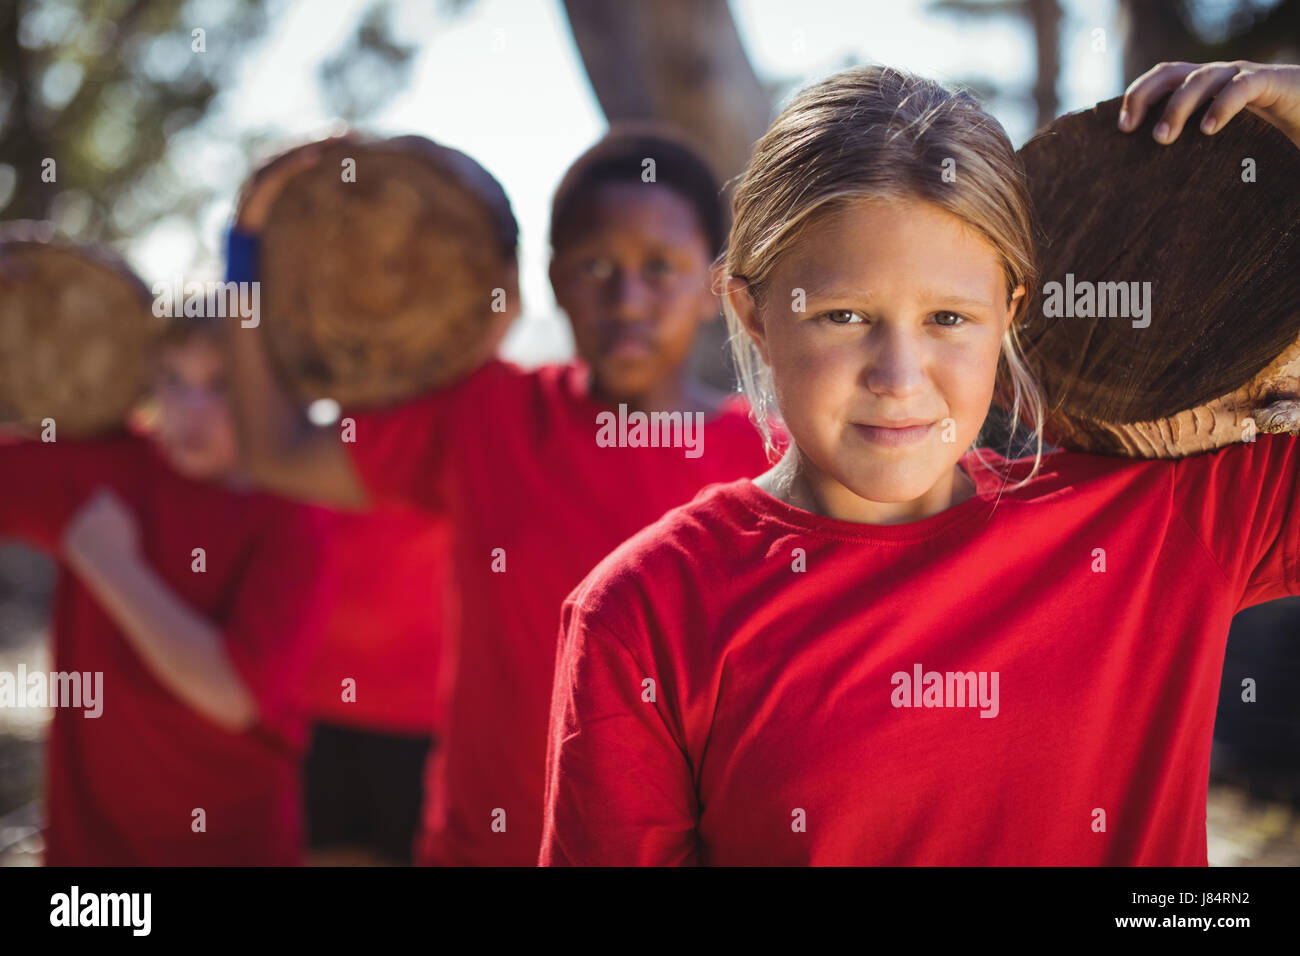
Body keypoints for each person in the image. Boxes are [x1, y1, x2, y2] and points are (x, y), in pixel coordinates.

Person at [540, 60, 1300, 866]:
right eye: (843, 315)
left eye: (949, 317)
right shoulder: (643, 612)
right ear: (753, 313)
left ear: (1011, 314)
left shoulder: (1164, 523)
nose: (899, 378)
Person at [224, 127, 772, 865]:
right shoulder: (489, 417)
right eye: (594, 265)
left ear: (714, 289)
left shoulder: (767, 461)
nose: (627, 298)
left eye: (661, 268)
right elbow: (277, 450)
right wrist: (247, 248)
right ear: (552, 279)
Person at [0, 308, 333, 865]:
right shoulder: (109, 466)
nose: (190, 410)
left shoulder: (296, 516)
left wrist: (108, 561)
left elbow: (231, 694)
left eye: (221, 387)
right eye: (173, 381)